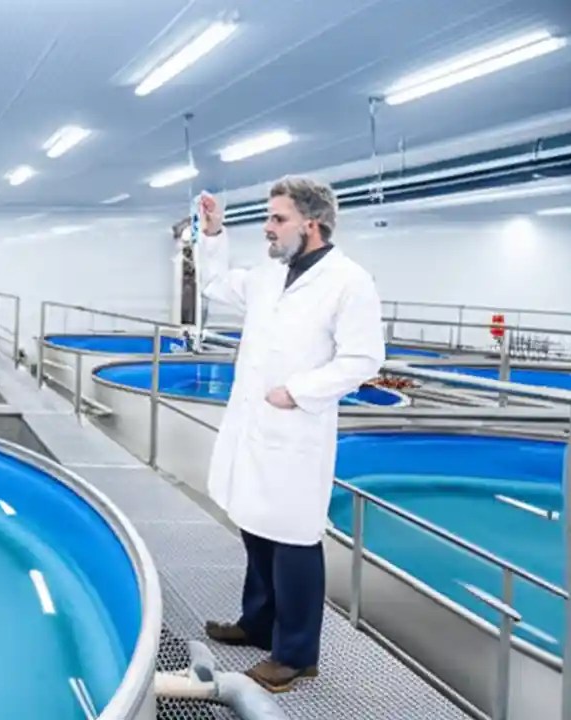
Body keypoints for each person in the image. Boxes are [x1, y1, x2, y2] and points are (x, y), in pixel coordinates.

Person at [192, 177, 386, 693]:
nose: (268, 228)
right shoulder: (269, 274)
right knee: (256, 527)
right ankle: (258, 623)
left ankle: (296, 655)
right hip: (254, 426)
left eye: (278, 219)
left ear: (311, 224)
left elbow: (364, 358)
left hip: (296, 428)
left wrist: (299, 391)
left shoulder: (349, 282)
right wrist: (212, 233)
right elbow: (215, 283)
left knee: (295, 539)